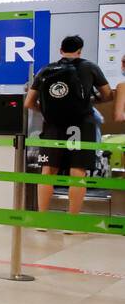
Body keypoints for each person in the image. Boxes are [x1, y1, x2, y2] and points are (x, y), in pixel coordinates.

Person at [25, 35, 111, 222]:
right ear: (80, 51)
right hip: (81, 124)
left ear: (60, 50)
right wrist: (91, 100)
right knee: (77, 171)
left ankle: (42, 220)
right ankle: (71, 222)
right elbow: (107, 94)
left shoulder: (46, 70)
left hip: (53, 126)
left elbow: (29, 102)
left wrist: (46, 111)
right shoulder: (90, 67)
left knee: (48, 171)